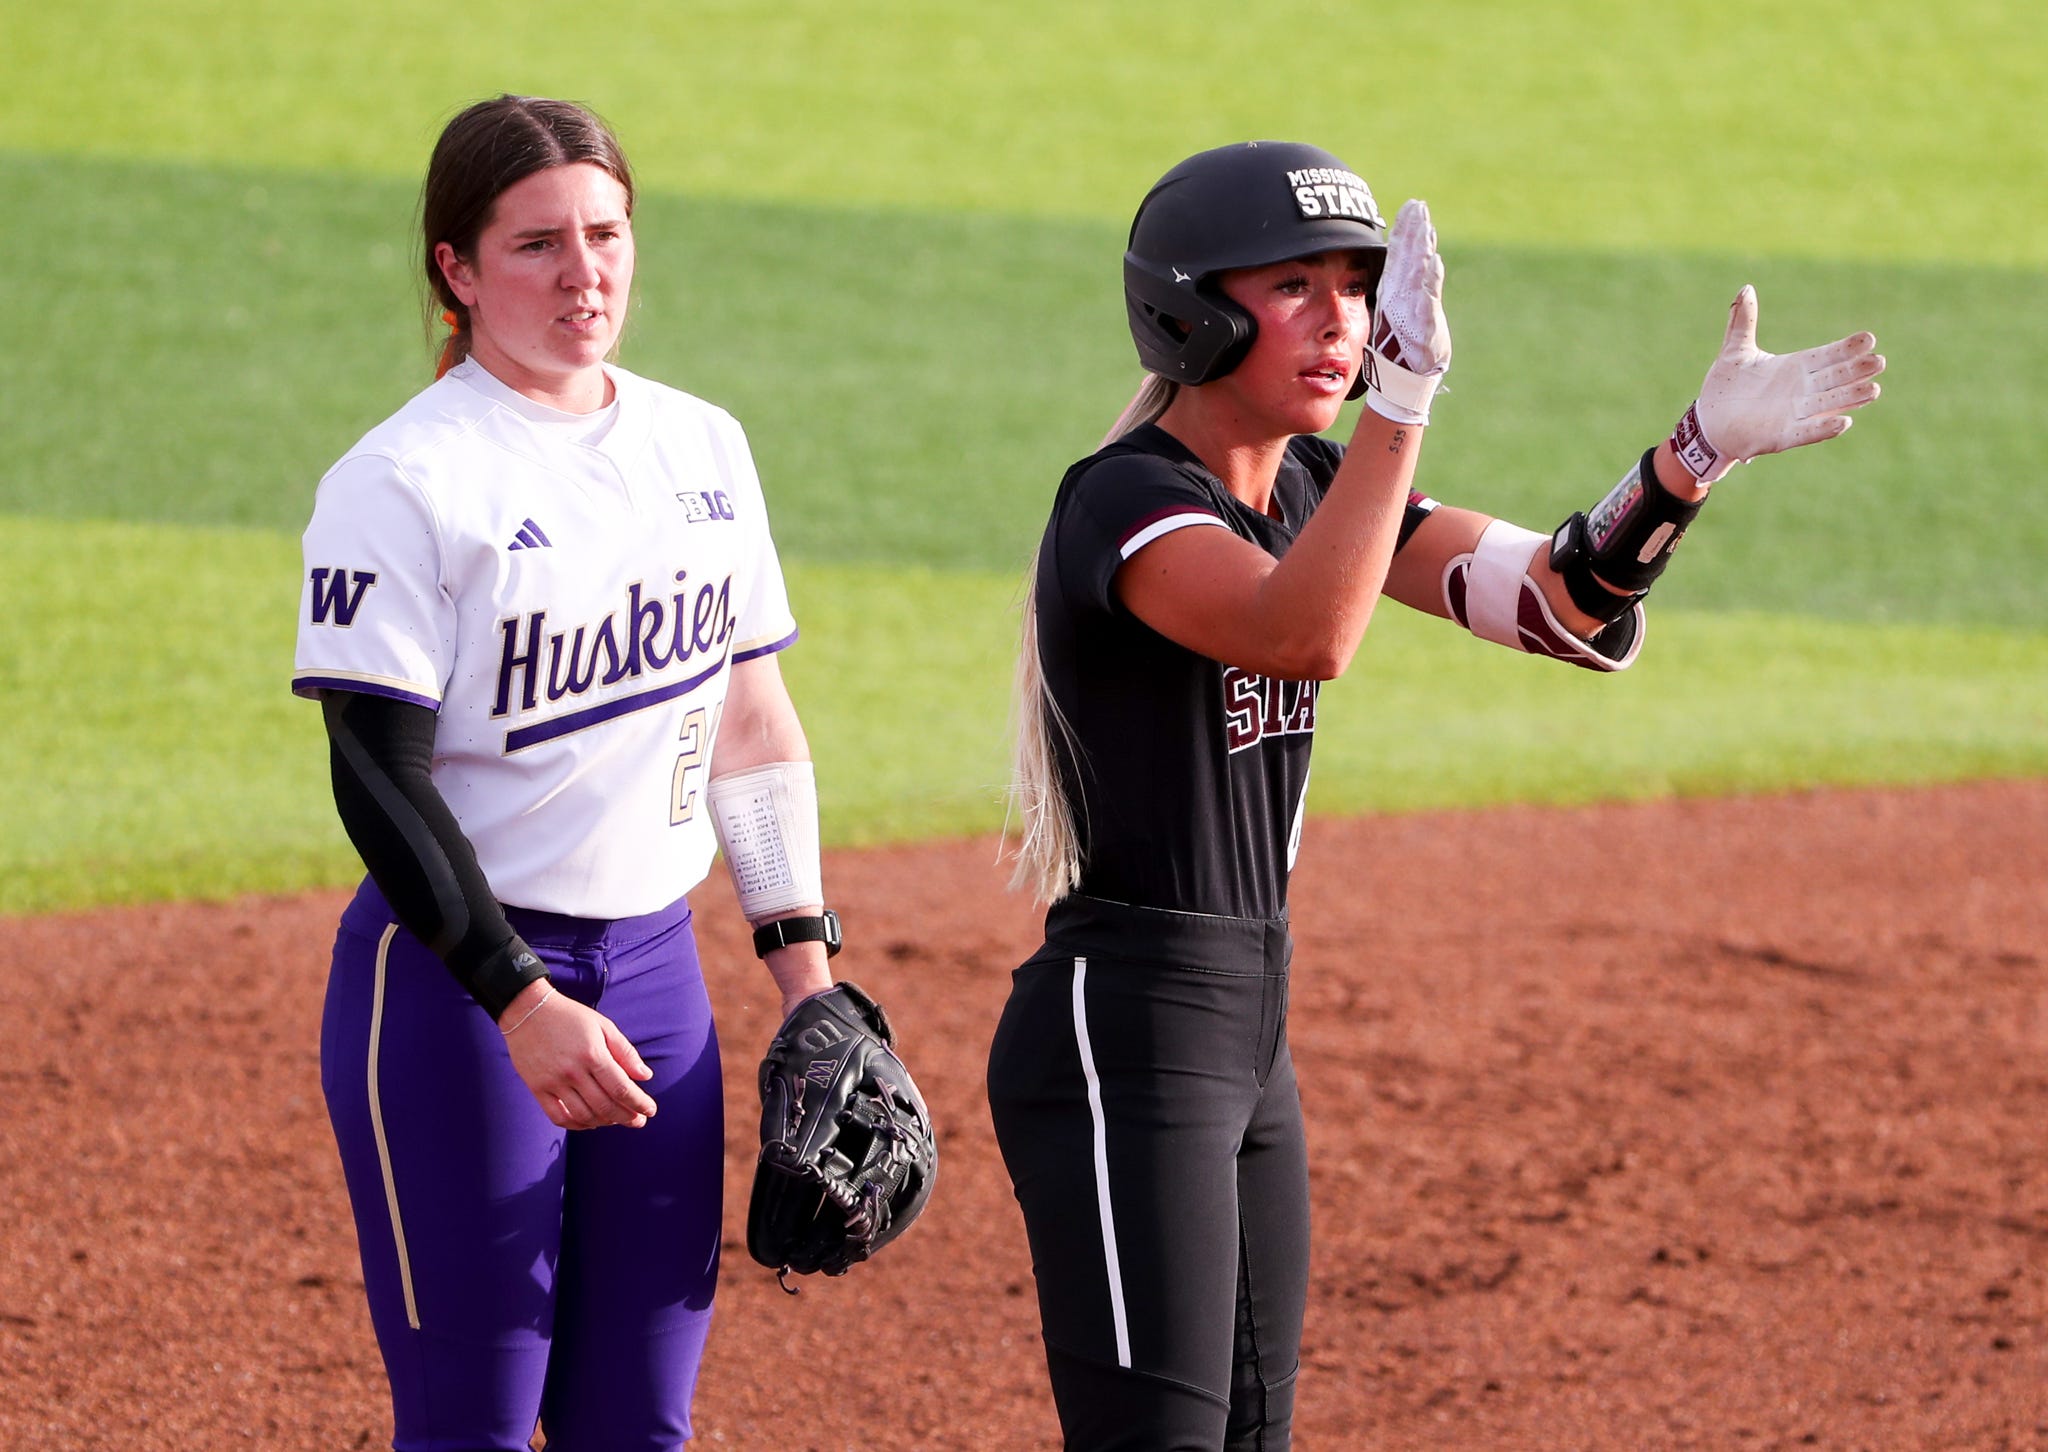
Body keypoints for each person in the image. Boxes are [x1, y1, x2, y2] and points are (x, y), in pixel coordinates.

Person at [987, 140, 1884, 1451]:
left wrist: (1691, 459)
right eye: (1297, 286)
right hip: (1126, 1032)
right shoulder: (1122, 503)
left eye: (1359, 286)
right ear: (1194, 310)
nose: (1346, 320)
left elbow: (1567, 611)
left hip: (1248, 1034)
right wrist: (1397, 407)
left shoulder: (1306, 489)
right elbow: (1305, 633)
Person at [292, 94, 860, 1451]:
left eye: (605, 233)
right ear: (458, 268)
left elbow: (751, 720)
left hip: (658, 977)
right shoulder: (405, 481)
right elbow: (377, 780)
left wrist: (810, 982)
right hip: (454, 991)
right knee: (472, 1423)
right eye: (538, 242)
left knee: (637, 1419)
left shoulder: (701, 446)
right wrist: (518, 999)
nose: (584, 272)